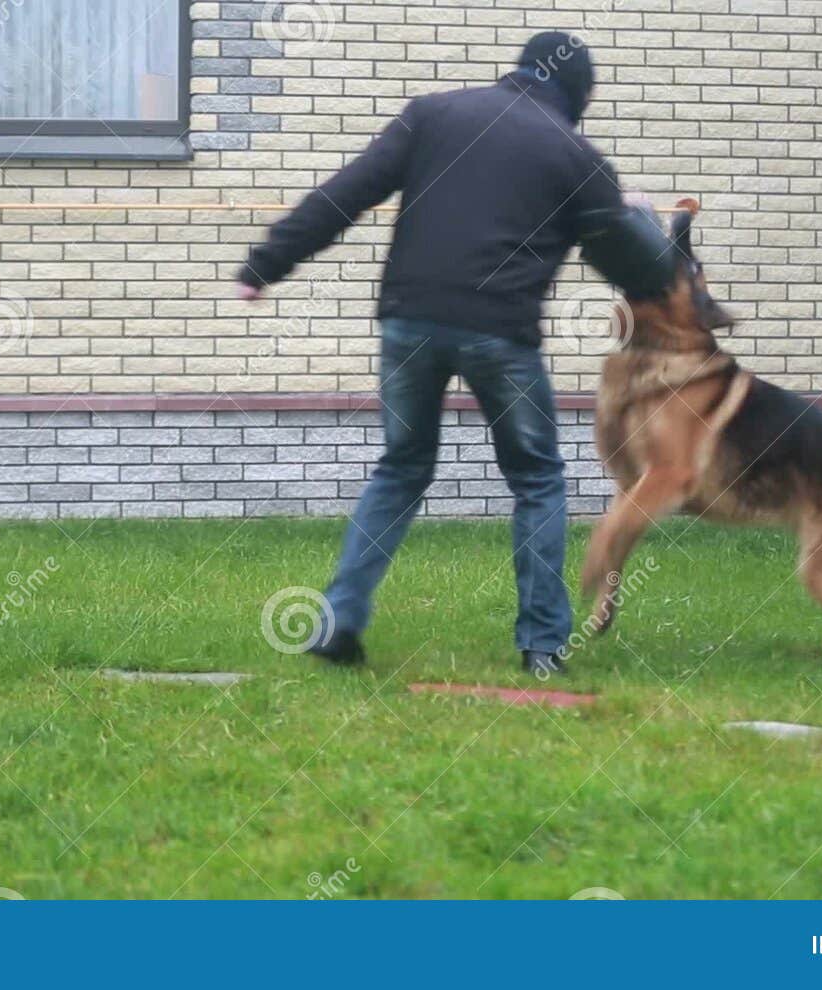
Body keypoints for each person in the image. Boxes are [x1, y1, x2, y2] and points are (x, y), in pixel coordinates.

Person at [238, 32, 678, 676]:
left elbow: (348, 192)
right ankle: (543, 646)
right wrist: (631, 214)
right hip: (501, 333)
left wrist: (266, 263)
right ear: (580, 93)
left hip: (409, 324)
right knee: (535, 479)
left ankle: (339, 621)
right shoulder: (576, 155)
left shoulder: (434, 114)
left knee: (402, 466)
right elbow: (638, 270)